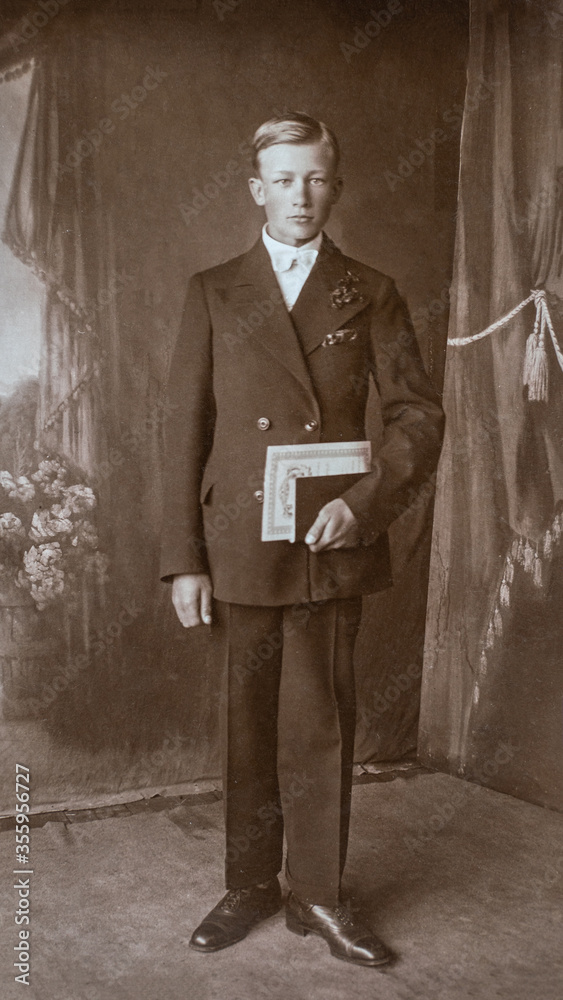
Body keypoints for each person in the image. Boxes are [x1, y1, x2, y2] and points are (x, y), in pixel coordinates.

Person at [160, 112, 444, 967]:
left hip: (329, 540)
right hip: (241, 538)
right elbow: (183, 429)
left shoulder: (373, 291)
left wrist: (363, 505)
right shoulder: (213, 289)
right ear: (257, 190)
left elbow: (415, 417)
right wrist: (182, 559)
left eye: (316, 177)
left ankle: (316, 893)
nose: (301, 195)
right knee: (248, 725)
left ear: (336, 186)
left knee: (319, 725)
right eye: (284, 179)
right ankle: (248, 883)